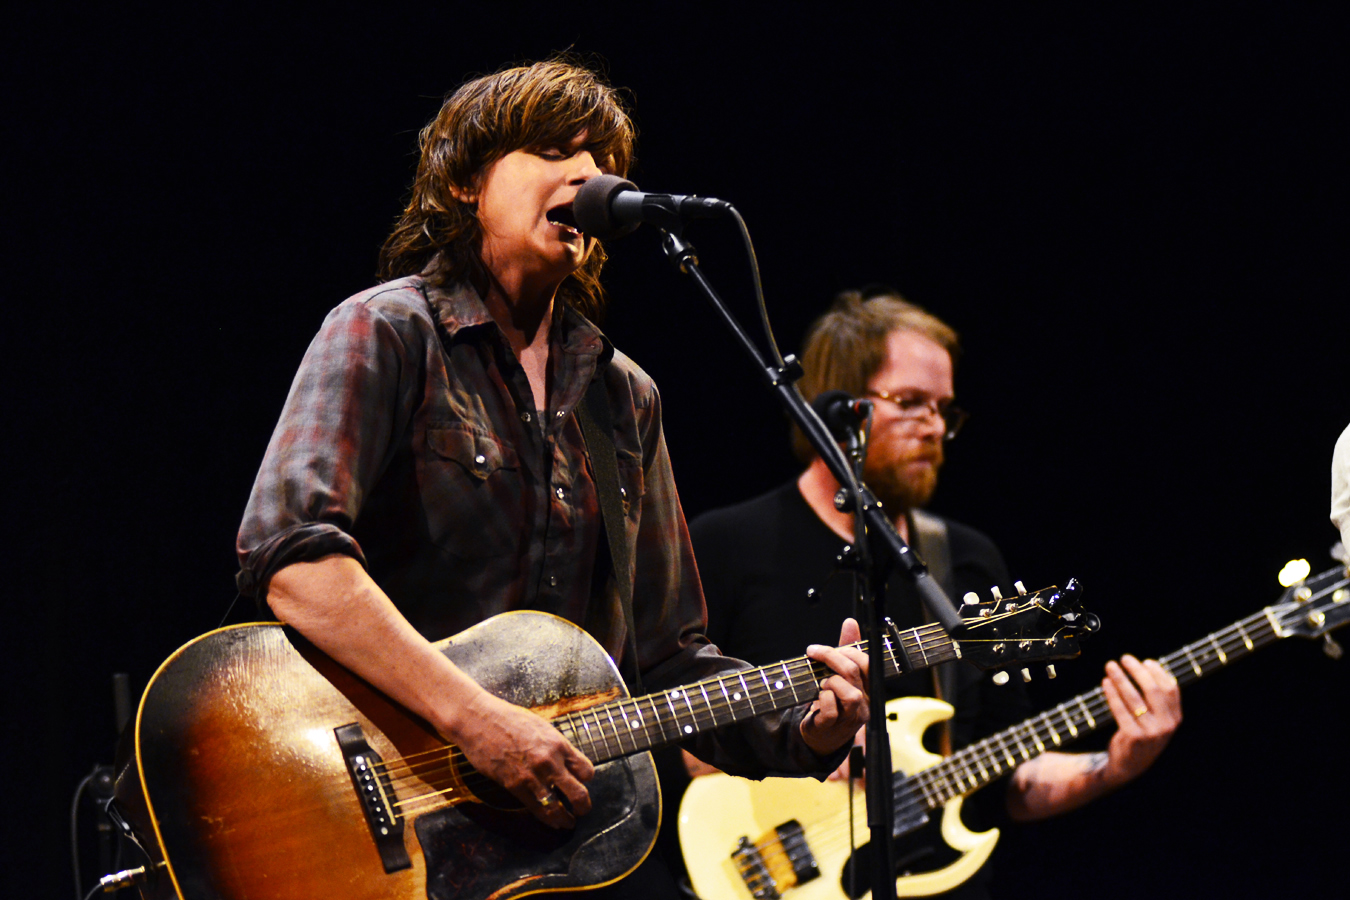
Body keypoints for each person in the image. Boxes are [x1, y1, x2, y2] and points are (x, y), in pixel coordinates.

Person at [234, 58, 869, 899]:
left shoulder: (623, 398)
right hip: (348, 801)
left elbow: (667, 659)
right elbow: (292, 558)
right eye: (553, 151)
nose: (588, 175)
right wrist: (474, 718)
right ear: (464, 183)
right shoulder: (386, 331)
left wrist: (808, 728)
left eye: (599, 160)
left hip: (533, 855)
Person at [682, 288, 1182, 897]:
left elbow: (1009, 775)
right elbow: (679, 736)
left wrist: (1114, 765)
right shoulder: (724, 544)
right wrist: (803, 746)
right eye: (911, 403)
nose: (937, 428)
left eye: (944, 409)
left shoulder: (964, 560)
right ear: (835, 407)